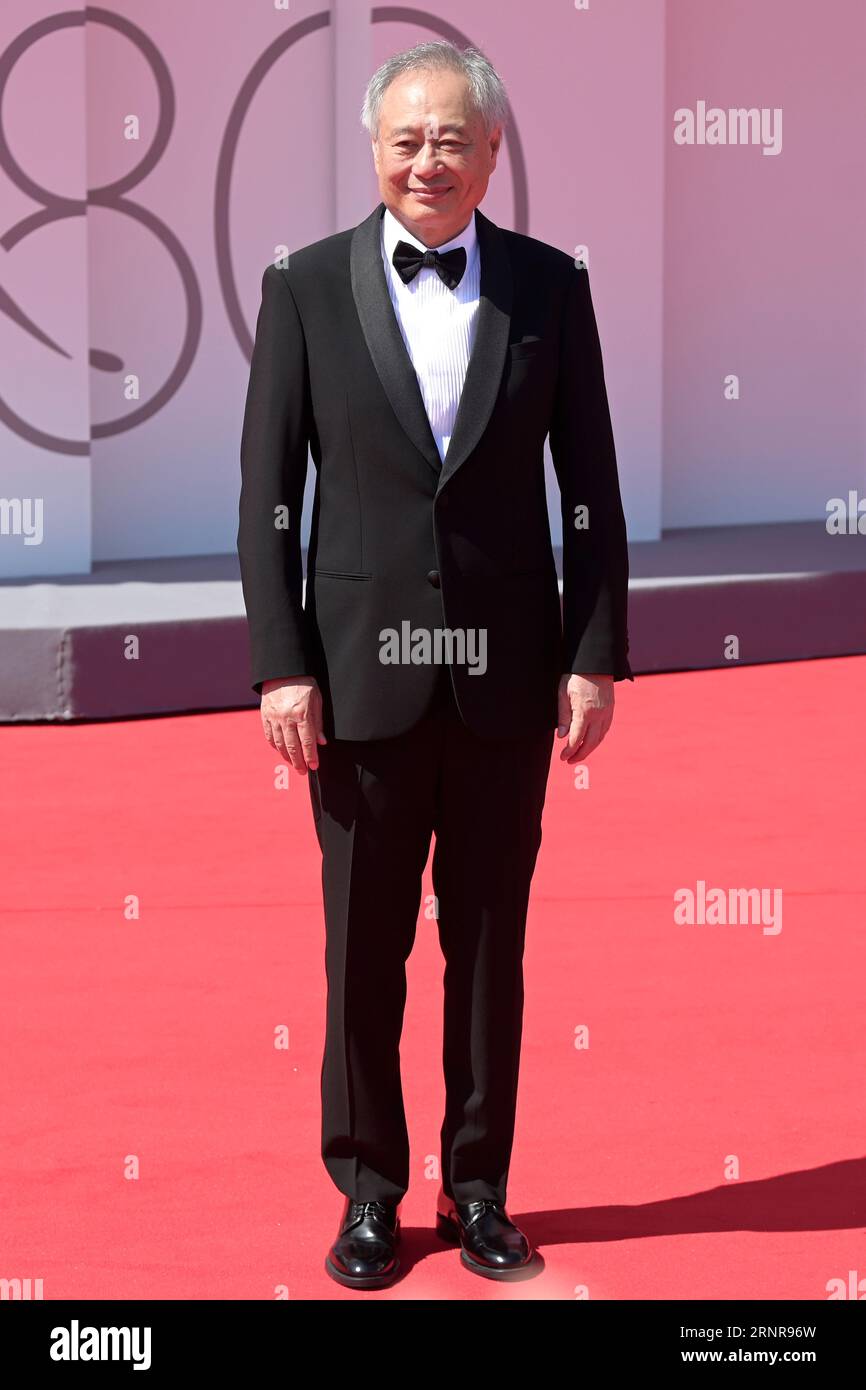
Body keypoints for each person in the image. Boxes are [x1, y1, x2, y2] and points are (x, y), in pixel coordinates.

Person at [237, 39, 632, 1290]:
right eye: (406, 139)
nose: (427, 160)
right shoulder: (301, 286)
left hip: (505, 678)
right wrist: (278, 664)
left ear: (492, 152)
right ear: (372, 149)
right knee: (360, 951)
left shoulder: (549, 288)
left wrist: (594, 653)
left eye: (452, 139)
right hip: (354, 682)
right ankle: (365, 1193)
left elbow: (592, 491)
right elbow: (268, 500)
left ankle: (478, 1192)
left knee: (488, 942)